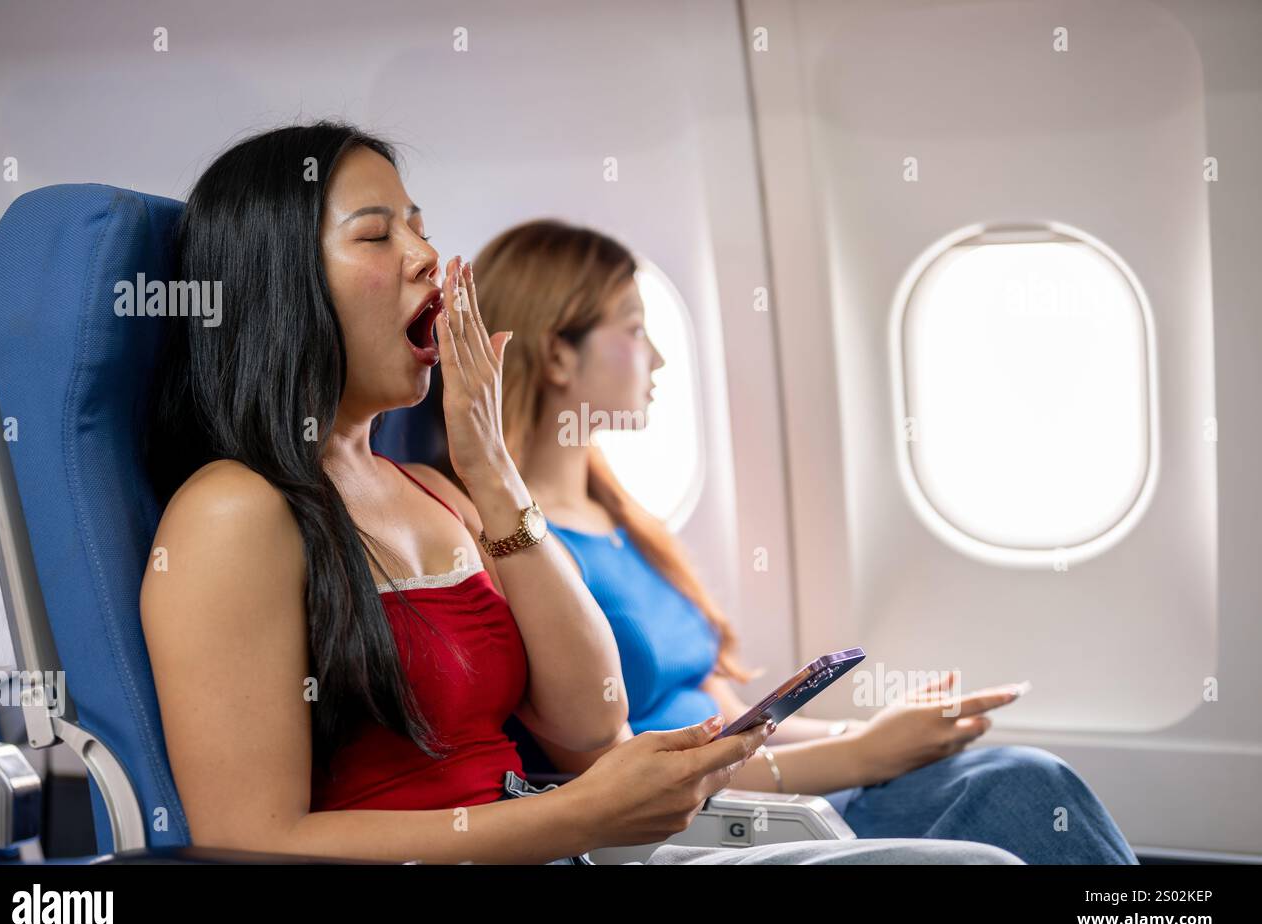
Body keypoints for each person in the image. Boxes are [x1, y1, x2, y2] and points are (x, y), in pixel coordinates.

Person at [138, 121, 1021, 865]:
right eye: (377, 236)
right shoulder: (232, 512)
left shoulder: (438, 492)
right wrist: (571, 818)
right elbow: (249, 840)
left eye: (420, 227)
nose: (427, 258)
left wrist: (491, 469)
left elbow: (589, 726)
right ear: (279, 288)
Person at [438, 218, 1138, 865]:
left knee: (1015, 769)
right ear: (558, 355)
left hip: (763, 786)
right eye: (634, 330)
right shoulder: (512, 544)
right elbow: (606, 771)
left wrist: (869, 737)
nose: (656, 359)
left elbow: (716, 717)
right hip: (700, 822)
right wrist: (860, 755)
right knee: (1023, 787)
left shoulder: (620, 520)